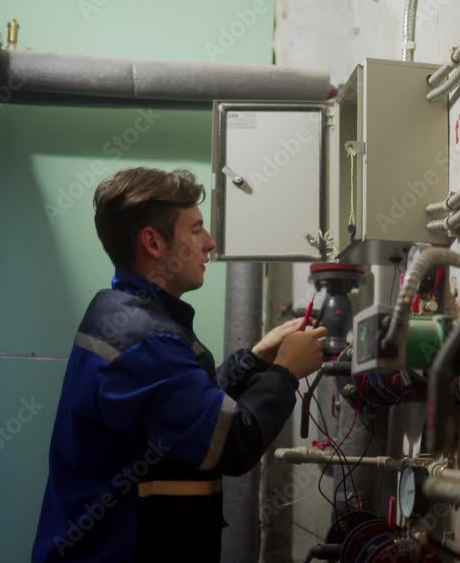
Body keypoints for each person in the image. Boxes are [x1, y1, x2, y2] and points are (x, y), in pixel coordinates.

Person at [31, 167, 326, 562]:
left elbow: (184, 411)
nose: (210, 243)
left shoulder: (120, 313)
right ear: (153, 242)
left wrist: (255, 360)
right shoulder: (147, 340)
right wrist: (286, 372)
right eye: (196, 230)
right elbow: (233, 444)